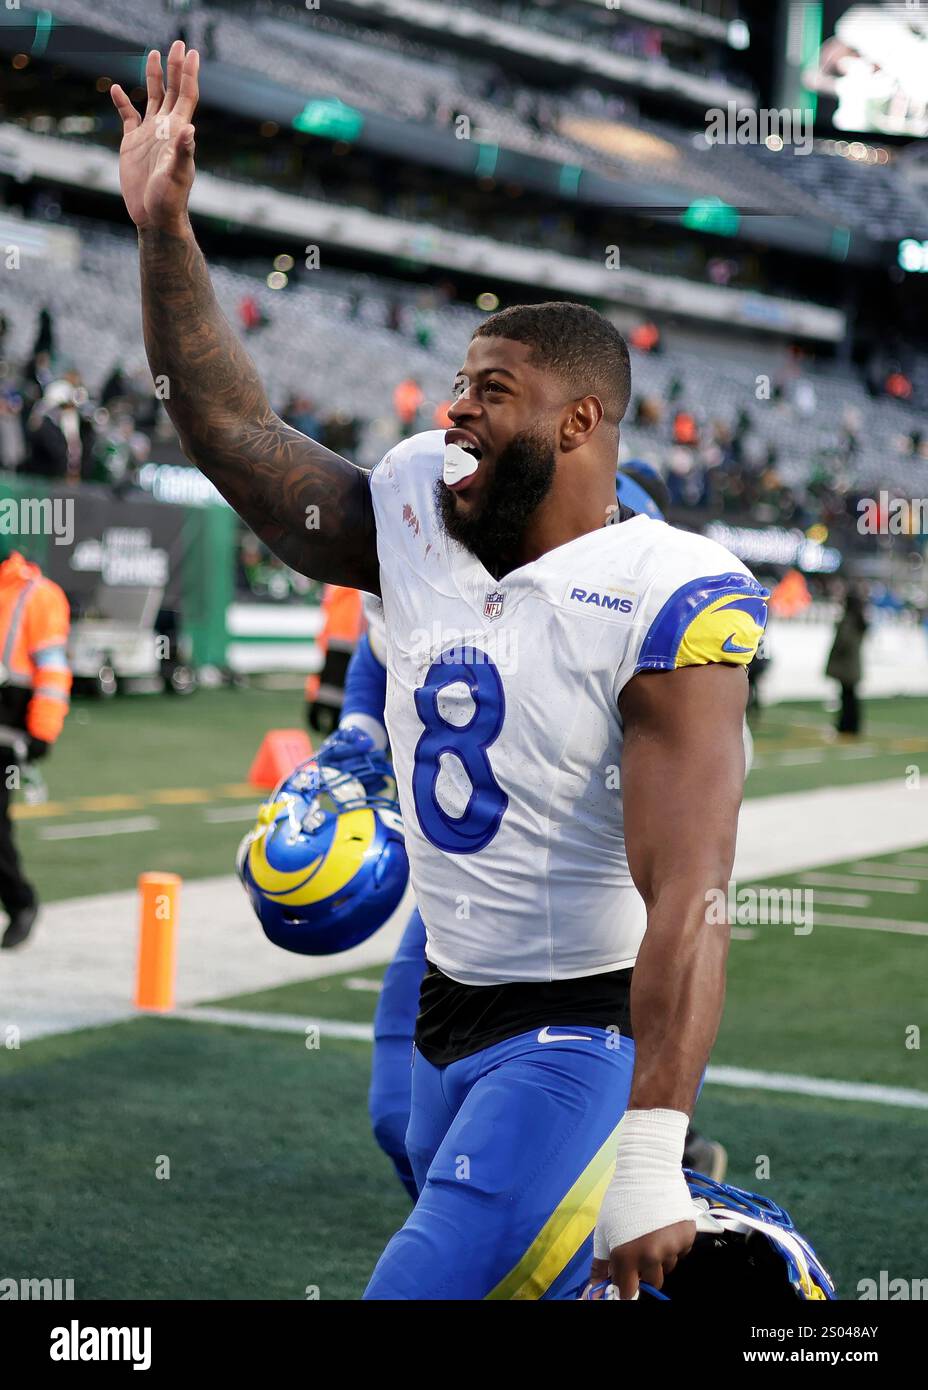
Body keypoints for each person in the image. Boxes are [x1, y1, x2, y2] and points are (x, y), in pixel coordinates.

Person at [110, 43, 769, 1300]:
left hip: (578, 1017)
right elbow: (235, 434)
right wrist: (164, 231)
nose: (455, 408)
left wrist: (651, 1148)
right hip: (446, 986)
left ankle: (699, 1221)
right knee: (445, 1186)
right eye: (459, 383)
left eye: (492, 390)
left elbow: (692, 894)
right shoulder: (416, 504)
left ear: (578, 423)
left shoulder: (668, 589)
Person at [0, 546, 72, 948]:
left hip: (8, 728)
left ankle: (20, 903)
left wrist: (42, 732)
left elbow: (53, 670)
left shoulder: (37, 595)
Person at [825, 590, 867, 736]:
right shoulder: (859, 620)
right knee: (850, 696)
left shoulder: (848, 621)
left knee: (847, 696)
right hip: (853, 665)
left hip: (846, 665)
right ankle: (851, 724)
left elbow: (842, 642)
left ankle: (847, 725)